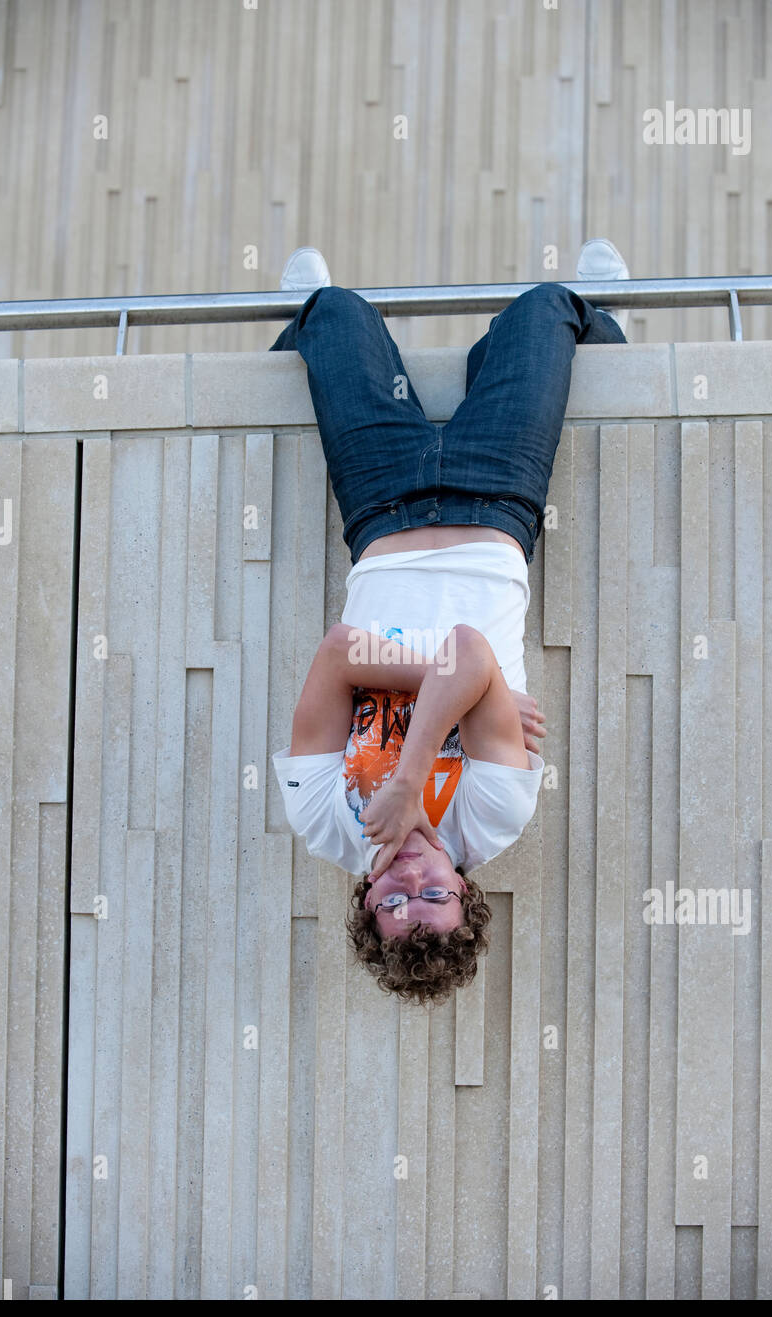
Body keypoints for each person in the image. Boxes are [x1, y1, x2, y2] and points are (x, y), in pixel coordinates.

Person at [270, 241, 629, 1005]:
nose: (409, 886)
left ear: (363, 905)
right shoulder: (492, 816)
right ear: (464, 895)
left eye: (392, 906)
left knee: (331, 314)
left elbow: (337, 655)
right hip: (494, 504)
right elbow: (464, 649)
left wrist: (468, 689)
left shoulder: (327, 822)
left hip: (379, 510)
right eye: (431, 898)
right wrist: (432, 726)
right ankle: (599, 332)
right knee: (546, 307)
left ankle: (314, 328)